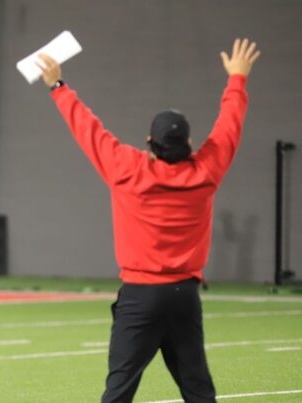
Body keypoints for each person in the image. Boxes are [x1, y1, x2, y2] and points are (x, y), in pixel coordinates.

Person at [38, 38, 260, 403]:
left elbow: (87, 129)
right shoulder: (205, 172)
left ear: (149, 142)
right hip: (185, 296)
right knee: (198, 389)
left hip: (140, 297)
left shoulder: (127, 169)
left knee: (120, 390)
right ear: (189, 144)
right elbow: (228, 129)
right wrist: (237, 79)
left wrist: (58, 85)